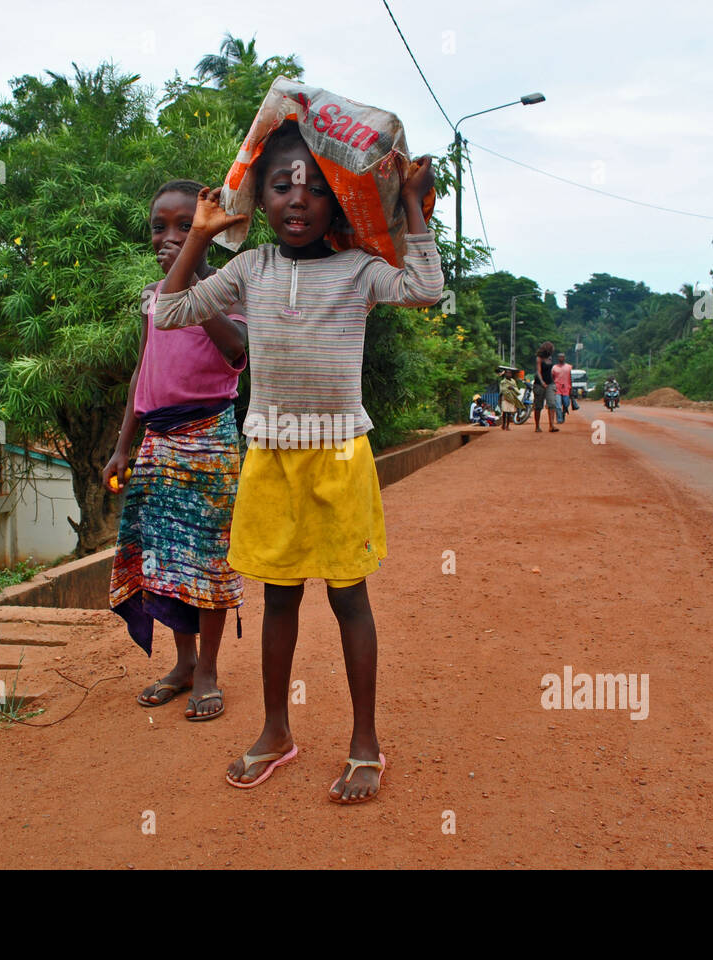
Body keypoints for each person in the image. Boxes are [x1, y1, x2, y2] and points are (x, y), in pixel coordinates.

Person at [155, 120, 443, 803]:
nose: (296, 198)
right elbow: (167, 312)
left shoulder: (360, 271)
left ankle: (365, 741)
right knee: (279, 598)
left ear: (337, 203)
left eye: (314, 188)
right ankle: (276, 731)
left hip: (340, 456)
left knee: (349, 599)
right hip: (272, 457)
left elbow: (426, 288)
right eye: (281, 184)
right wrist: (201, 232)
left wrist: (408, 204)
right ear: (263, 196)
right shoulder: (249, 268)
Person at [105, 179, 248, 722]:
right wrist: (124, 447)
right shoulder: (152, 294)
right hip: (158, 443)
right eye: (159, 227)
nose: (169, 236)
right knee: (165, 562)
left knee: (208, 559)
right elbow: (146, 370)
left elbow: (236, 351)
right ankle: (183, 663)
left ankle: (208, 670)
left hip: (209, 439)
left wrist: (187, 280)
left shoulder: (230, 287)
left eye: (185, 227)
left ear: (211, 230)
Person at [533, 342, 559, 433]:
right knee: (538, 406)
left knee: (552, 403)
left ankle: (551, 425)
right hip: (539, 384)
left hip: (550, 383)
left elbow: (551, 371)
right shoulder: (539, 358)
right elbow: (538, 372)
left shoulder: (550, 358)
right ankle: (537, 426)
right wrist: (542, 382)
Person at [552, 352, 574, 424]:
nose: (561, 358)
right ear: (558, 358)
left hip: (566, 388)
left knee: (566, 403)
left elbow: (570, 378)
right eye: (560, 357)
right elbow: (552, 378)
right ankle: (559, 419)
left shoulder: (569, 367)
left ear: (564, 358)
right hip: (557, 388)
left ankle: (563, 413)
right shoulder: (554, 368)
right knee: (558, 405)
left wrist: (571, 388)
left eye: (562, 357)